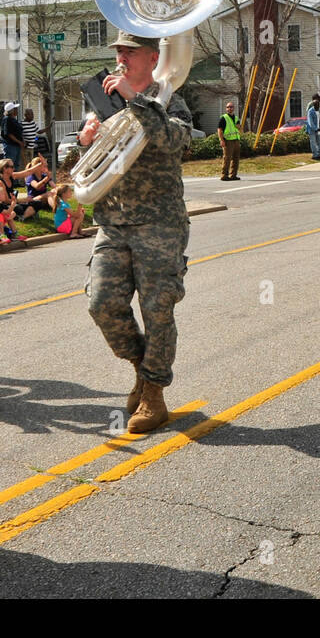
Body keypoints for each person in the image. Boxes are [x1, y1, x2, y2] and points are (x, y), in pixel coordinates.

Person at [78, 31, 192, 434]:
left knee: (157, 308)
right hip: (113, 219)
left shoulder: (170, 99)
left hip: (159, 222)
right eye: (118, 52)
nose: (121, 58)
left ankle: (154, 394)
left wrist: (133, 98)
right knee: (100, 304)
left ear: (150, 56)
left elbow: (171, 140)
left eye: (129, 51)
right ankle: (142, 368)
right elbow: (97, 160)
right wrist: (85, 142)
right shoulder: (103, 100)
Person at [217, 100, 241, 181]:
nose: (229, 108)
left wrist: (239, 128)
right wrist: (221, 140)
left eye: (231, 107)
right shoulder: (224, 118)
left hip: (236, 140)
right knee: (227, 158)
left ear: (234, 108)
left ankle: (233, 175)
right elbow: (220, 130)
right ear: (226, 109)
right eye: (228, 107)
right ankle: (224, 175)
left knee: (236, 158)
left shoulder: (236, 118)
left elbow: (239, 128)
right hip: (228, 141)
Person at [1, 102, 24, 166]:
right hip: (11, 146)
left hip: (16, 146)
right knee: (9, 165)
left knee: (15, 165)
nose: (17, 110)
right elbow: (9, 134)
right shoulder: (7, 119)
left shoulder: (13, 119)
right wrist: (19, 142)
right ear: (12, 111)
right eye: (15, 109)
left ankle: (13, 176)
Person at [306, 94, 320, 161]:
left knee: (319, 142)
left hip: (318, 129)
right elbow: (310, 122)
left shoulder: (319, 111)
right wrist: (315, 128)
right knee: (313, 142)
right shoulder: (310, 111)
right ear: (314, 105)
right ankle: (315, 155)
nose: (318, 106)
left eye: (318, 105)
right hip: (312, 129)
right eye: (316, 105)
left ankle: (319, 154)